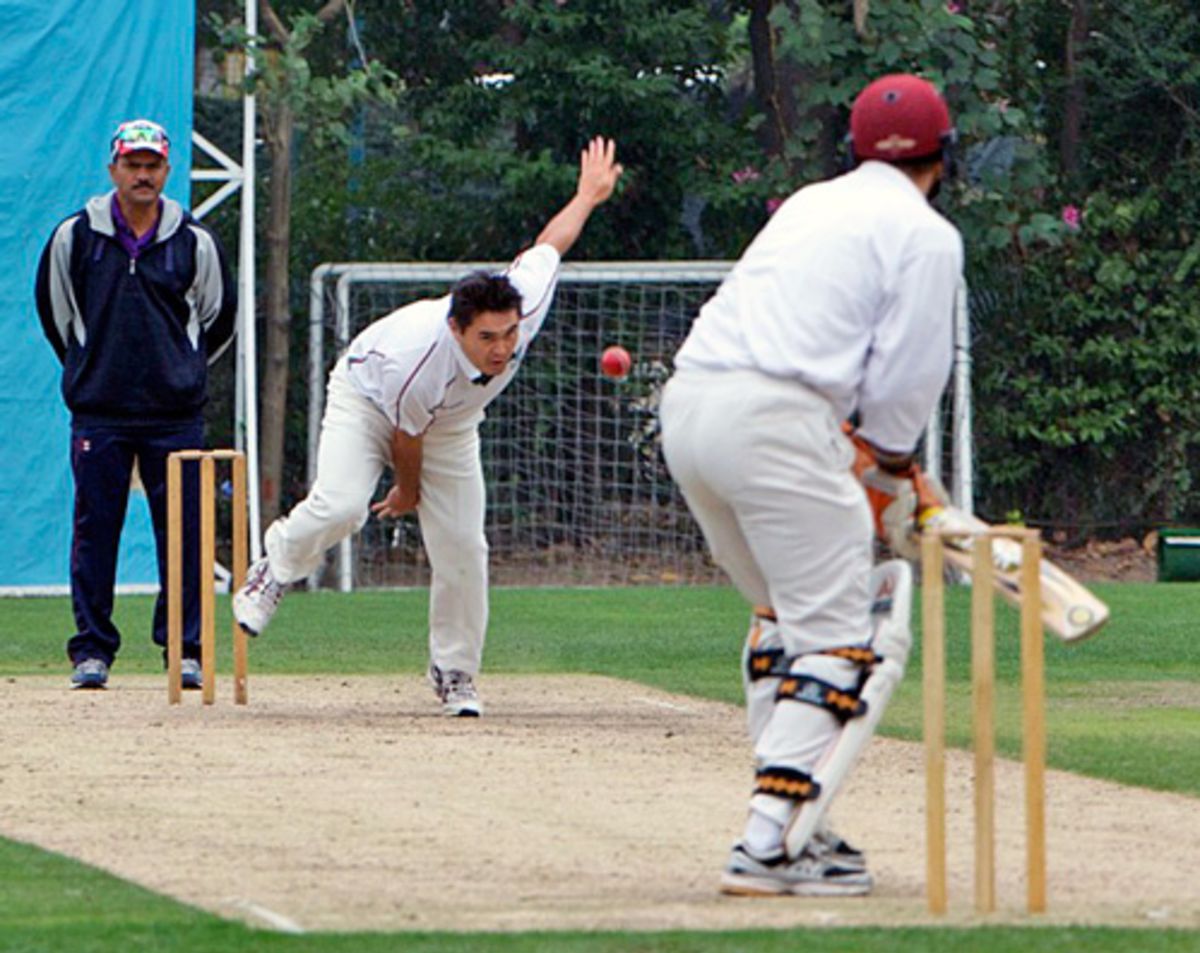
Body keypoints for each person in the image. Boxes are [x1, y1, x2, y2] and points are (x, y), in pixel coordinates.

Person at [659, 74, 963, 895]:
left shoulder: (808, 204)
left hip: (690, 407)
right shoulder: (926, 235)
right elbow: (905, 378)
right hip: (780, 422)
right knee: (846, 640)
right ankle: (767, 841)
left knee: (783, 619)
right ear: (946, 155)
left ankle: (804, 823)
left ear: (853, 149)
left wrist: (879, 472)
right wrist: (895, 473)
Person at [233, 137, 623, 716]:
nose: (502, 348)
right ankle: (274, 567)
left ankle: (455, 673)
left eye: (509, 334)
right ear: (458, 327)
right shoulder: (423, 357)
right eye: (487, 338)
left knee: (465, 547)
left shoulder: (525, 305)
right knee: (342, 506)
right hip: (368, 402)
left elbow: (549, 244)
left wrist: (587, 196)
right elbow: (403, 437)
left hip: (452, 426)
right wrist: (407, 492)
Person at [35, 118, 237, 691]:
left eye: (152, 165)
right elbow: (57, 317)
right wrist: (88, 368)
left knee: (186, 535)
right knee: (96, 531)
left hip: (175, 416)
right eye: (133, 164)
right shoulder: (75, 237)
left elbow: (217, 321)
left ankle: (185, 649)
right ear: (113, 169)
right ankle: (92, 651)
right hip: (100, 412)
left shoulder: (193, 241)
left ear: (167, 172)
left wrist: (182, 372)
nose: (142, 174)